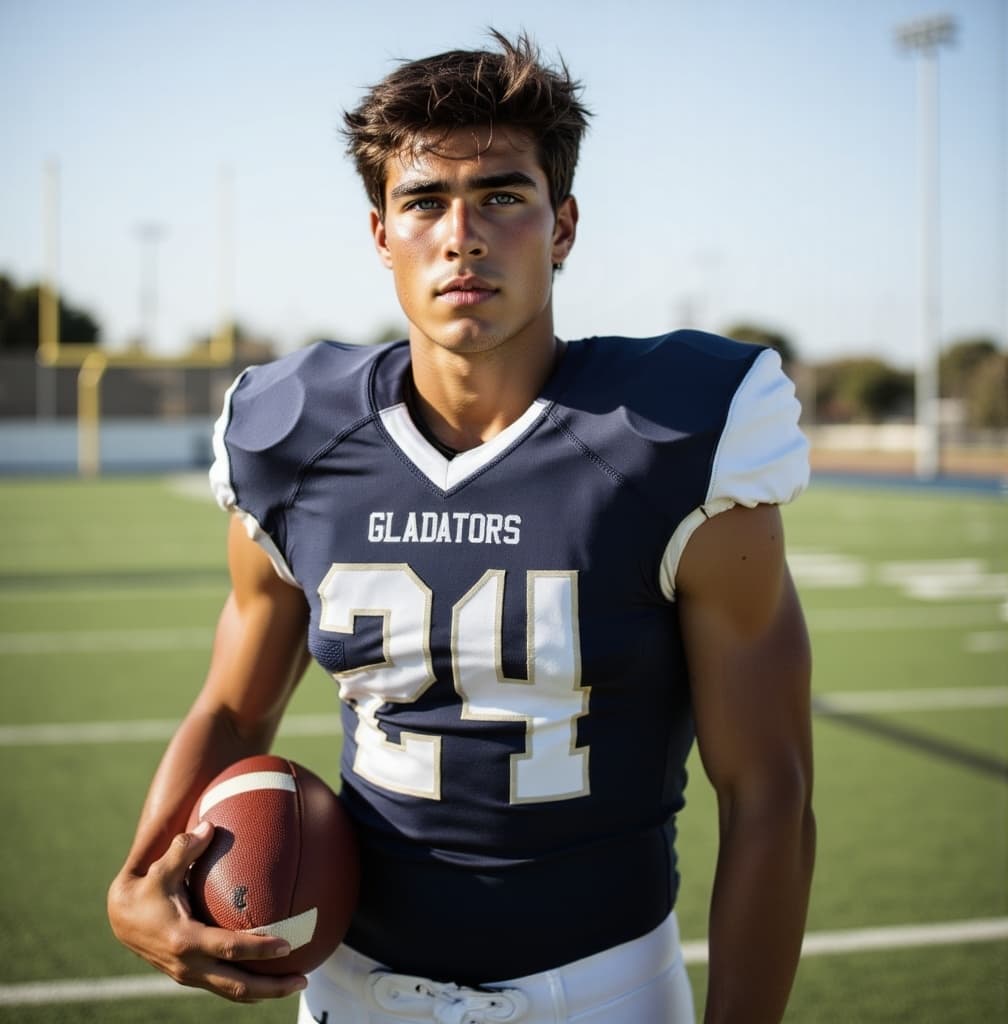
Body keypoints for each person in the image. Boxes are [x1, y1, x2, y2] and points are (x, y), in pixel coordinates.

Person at [107, 30, 815, 1024]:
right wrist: (138, 874)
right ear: (380, 233)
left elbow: (768, 789)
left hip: (603, 990)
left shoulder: (675, 434)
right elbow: (233, 707)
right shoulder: (291, 434)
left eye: (502, 196)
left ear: (562, 226)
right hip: (349, 992)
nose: (462, 234)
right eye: (424, 201)